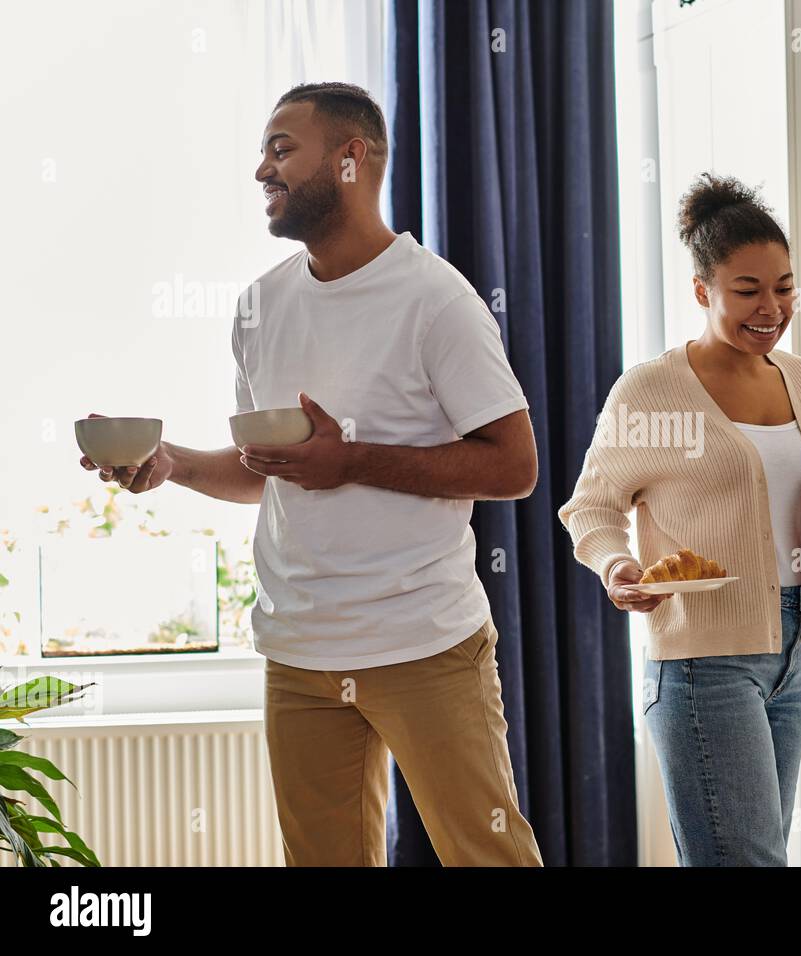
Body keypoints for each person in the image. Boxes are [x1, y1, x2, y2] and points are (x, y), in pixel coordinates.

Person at [79, 82, 542, 867]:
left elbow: (515, 466)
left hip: (423, 642)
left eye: (282, 149)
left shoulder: (436, 299)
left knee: (487, 857)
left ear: (351, 159)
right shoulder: (260, 307)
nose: (263, 167)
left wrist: (352, 459)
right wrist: (170, 464)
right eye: (264, 150)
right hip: (297, 650)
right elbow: (269, 472)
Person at [558, 172, 801, 866]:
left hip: (793, 648)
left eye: (784, 287)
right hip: (702, 661)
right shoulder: (654, 389)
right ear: (703, 291)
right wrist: (619, 566)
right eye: (748, 291)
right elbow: (593, 505)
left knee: (756, 856)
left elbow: (779, 519)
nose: (772, 307)